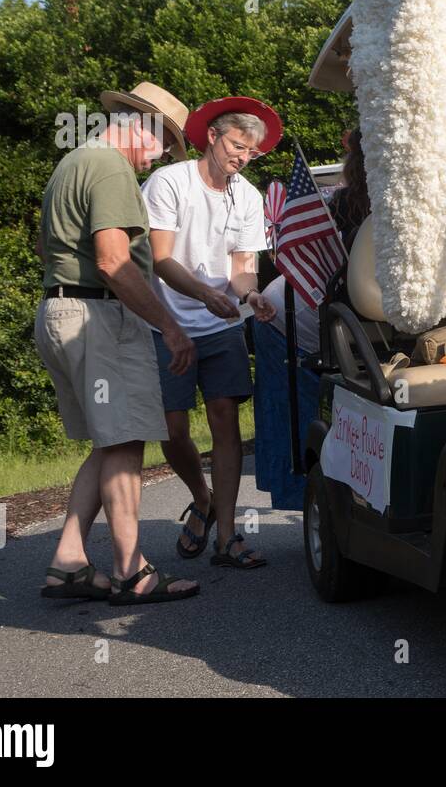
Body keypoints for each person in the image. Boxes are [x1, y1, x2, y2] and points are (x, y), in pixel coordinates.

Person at [35, 82, 199, 605]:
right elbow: (112, 261)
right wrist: (169, 326)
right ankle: (132, 572)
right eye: (164, 143)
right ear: (142, 127)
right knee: (127, 440)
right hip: (98, 316)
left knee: (110, 441)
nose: (162, 156)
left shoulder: (73, 162)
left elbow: (45, 246)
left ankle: (68, 564)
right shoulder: (111, 167)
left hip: (61, 310)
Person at [142, 96, 283, 569]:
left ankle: (226, 536)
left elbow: (242, 269)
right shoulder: (169, 182)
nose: (243, 158)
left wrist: (251, 296)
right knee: (172, 428)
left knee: (226, 421)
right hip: (167, 323)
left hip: (222, 323)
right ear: (212, 137)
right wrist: (205, 294)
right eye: (237, 146)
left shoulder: (249, 197)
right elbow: (160, 258)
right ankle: (201, 498)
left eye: (251, 152)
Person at [254, 130, 372, 510]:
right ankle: (309, 499)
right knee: (300, 413)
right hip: (286, 318)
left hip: (325, 312)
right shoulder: (345, 205)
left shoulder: (377, 202)